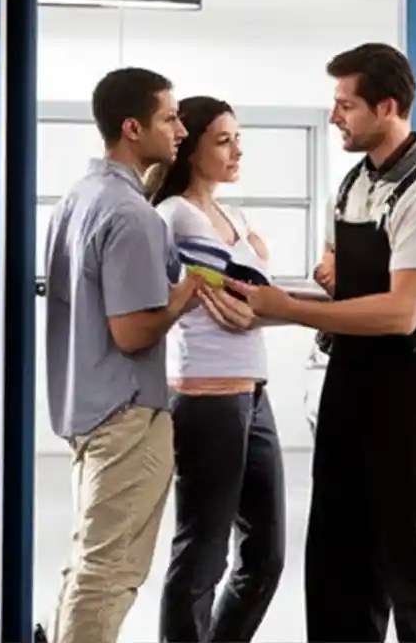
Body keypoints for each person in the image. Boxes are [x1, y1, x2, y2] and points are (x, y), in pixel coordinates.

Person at [227, 42, 416, 642]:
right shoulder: (353, 185)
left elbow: (401, 311)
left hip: (411, 393)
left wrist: (284, 309)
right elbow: (338, 267)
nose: (335, 116)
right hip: (351, 385)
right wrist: (325, 278)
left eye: (346, 105)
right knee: (340, 559)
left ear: (387, 107)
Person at [43, 67, 201, 643]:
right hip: (126, 415)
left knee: (88, 561)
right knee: (112, 573)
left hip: (83, 408)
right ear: (132, 128)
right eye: (169, 117)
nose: (181, 129)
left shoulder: (77, 200)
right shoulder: (134, 216)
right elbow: (132, 333)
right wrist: (184, 298)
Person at [145, 96, 286, 642]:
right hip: (206, 398)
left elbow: (255, 306)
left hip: (254, 395)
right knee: (203, 555)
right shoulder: (174, 214)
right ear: (192, 147)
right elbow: (233, 305)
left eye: (238, 138)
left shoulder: (236, 216)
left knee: (265, 557)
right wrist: (265, 300)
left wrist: (266, 303)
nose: (236, 149)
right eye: (223, 140)